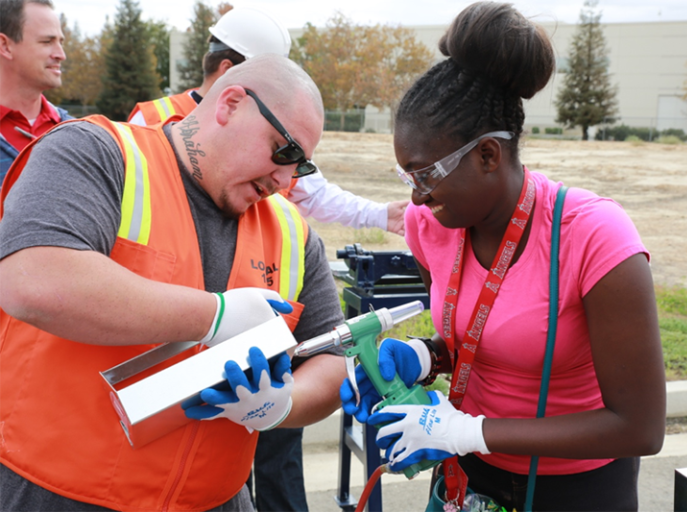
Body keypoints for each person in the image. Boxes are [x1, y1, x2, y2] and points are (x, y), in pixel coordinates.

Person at [340, 3, 666, 511]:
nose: (417, 197)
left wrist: (471, 431)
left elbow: (640, 428)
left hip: (577, 488)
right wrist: (425, 357)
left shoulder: (593, 235)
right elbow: (478, 340)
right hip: (469, 475)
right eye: (406, 176)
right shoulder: (429, 225)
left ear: (488, 156)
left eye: (425, 175)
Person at [0, 54, 347, 512]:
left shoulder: (291, 232)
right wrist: (214, 316)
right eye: (285, 152)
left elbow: (330, 355)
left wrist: (282, 403)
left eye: (301, 167)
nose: (285, 179)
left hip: (214, 500)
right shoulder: (98, 152)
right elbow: (32, 279)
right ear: (231, 104)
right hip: (52, 494)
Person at [129, 6, 408, 237]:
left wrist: (380, 215)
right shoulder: (149, 120)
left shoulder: (279, 136)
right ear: (231, 71)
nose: (281, 178)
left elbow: (315, 195)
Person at [0, 0, 71, 185]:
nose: (61, 54)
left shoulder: (75, 134)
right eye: (47, 42)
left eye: (60, 42)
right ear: (5, 46)